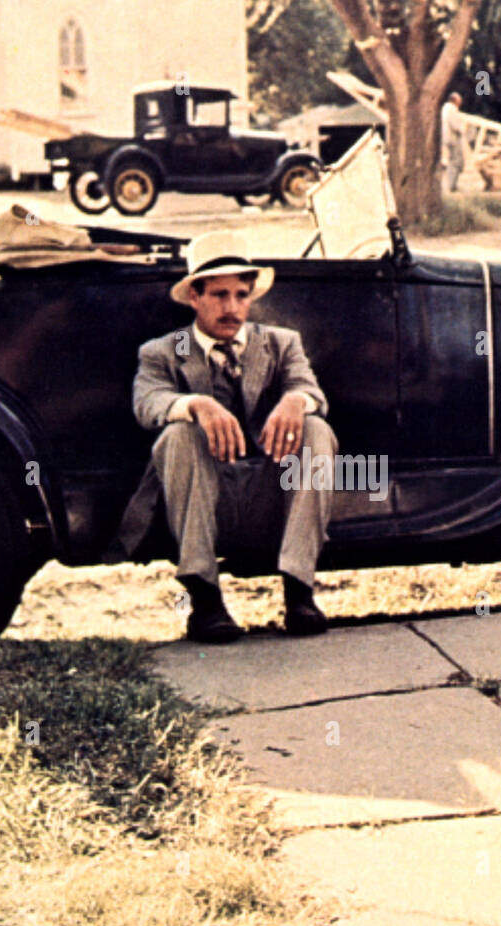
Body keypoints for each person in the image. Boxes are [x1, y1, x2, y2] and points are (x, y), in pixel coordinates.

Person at [118, 230, 337, 643]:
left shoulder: (280, 342)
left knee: (316, 428)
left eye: (241, 295)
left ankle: (299, 591)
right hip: (201, 496)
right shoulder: (163, 350)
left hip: (268, 493)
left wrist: (296, 401)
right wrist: (197, 405)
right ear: (195, 297)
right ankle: (205, 601)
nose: (232, 307)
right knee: (177, 435)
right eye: (219, 295)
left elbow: (311, 391)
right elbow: (148, 404)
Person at [441, 91, 466, 192]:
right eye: (459, 101)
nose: (460, 103)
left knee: (453, 161)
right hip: (453, 139)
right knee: (456, 162)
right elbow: (455, 125)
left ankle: (452, 184)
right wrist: (463, 129)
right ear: (455, 101)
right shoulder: (451, 110)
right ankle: (452, 185)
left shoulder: (445, 109)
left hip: (447, 138)